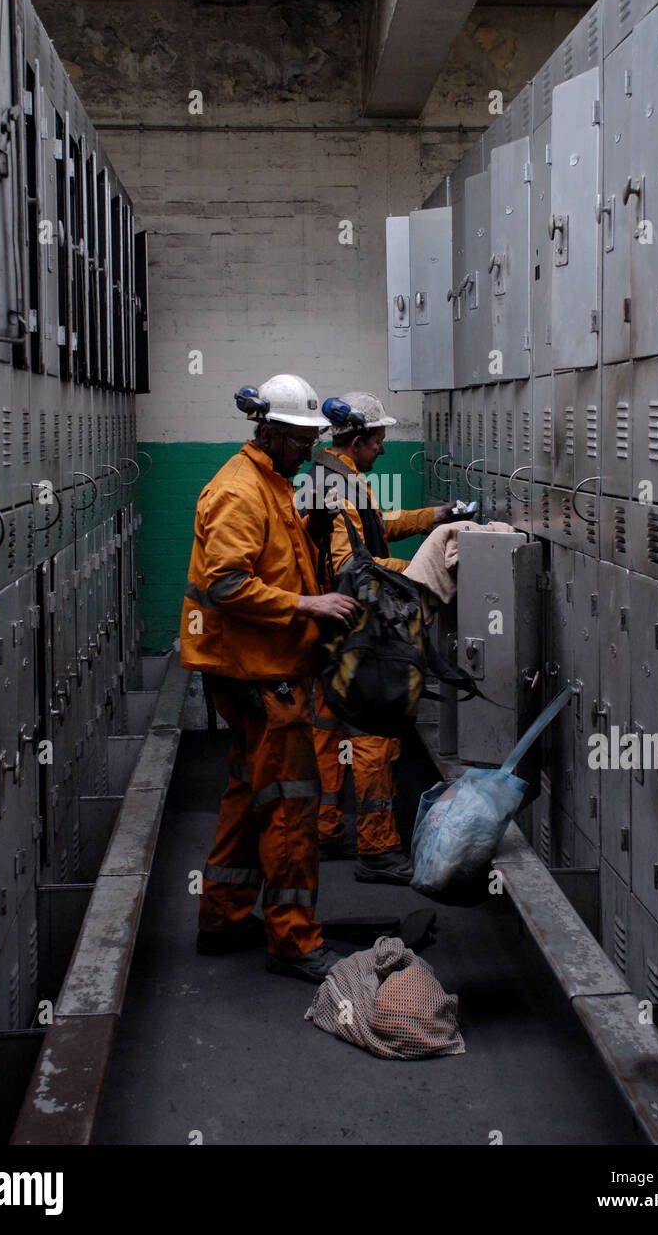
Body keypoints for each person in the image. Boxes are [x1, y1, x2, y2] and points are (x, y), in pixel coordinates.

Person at [180, 374, 359, 983]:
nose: (311, 447)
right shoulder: (240, 491)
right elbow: (227, 583)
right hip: (262, 679)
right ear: (273, 433)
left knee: (246, 799)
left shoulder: (271, 482)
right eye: (302, 438)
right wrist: (307, 607)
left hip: (262, 673)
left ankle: (224, 917)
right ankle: (294, 939)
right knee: (289, 808)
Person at [305, 392, 464, 884]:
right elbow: (351, 566)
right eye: (378, 441)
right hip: (355, 626)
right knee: (374, 734)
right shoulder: (337, 487)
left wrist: (434, 517)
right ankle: (376, 850)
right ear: (356, 441)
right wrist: (417, 572)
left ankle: (325, 827)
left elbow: (372, 533)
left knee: (329, 723)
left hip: (331, 630)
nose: (383, 450)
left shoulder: (336, 478)